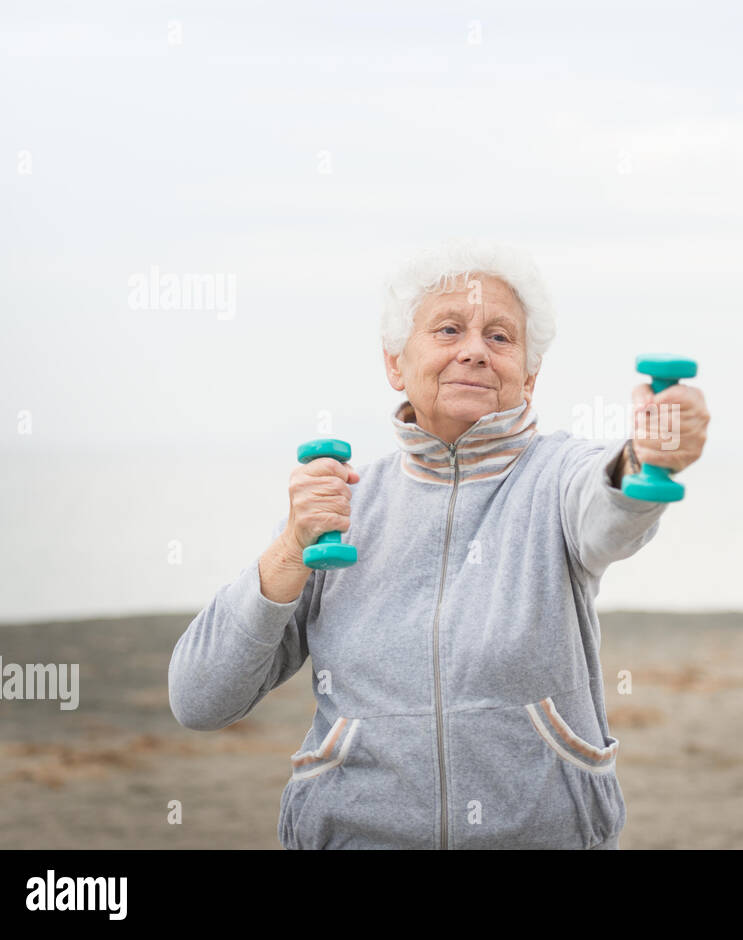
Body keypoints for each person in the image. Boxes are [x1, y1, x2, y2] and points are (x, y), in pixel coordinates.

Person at [168, 239, 710, 849]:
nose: (475, 351)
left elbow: (608, 512)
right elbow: (200, 699)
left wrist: (644, 460)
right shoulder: (343, 509)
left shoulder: (557, 476)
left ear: (530, 376)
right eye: (449, 330)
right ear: (396, 362)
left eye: (500, 337)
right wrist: (291, 547)